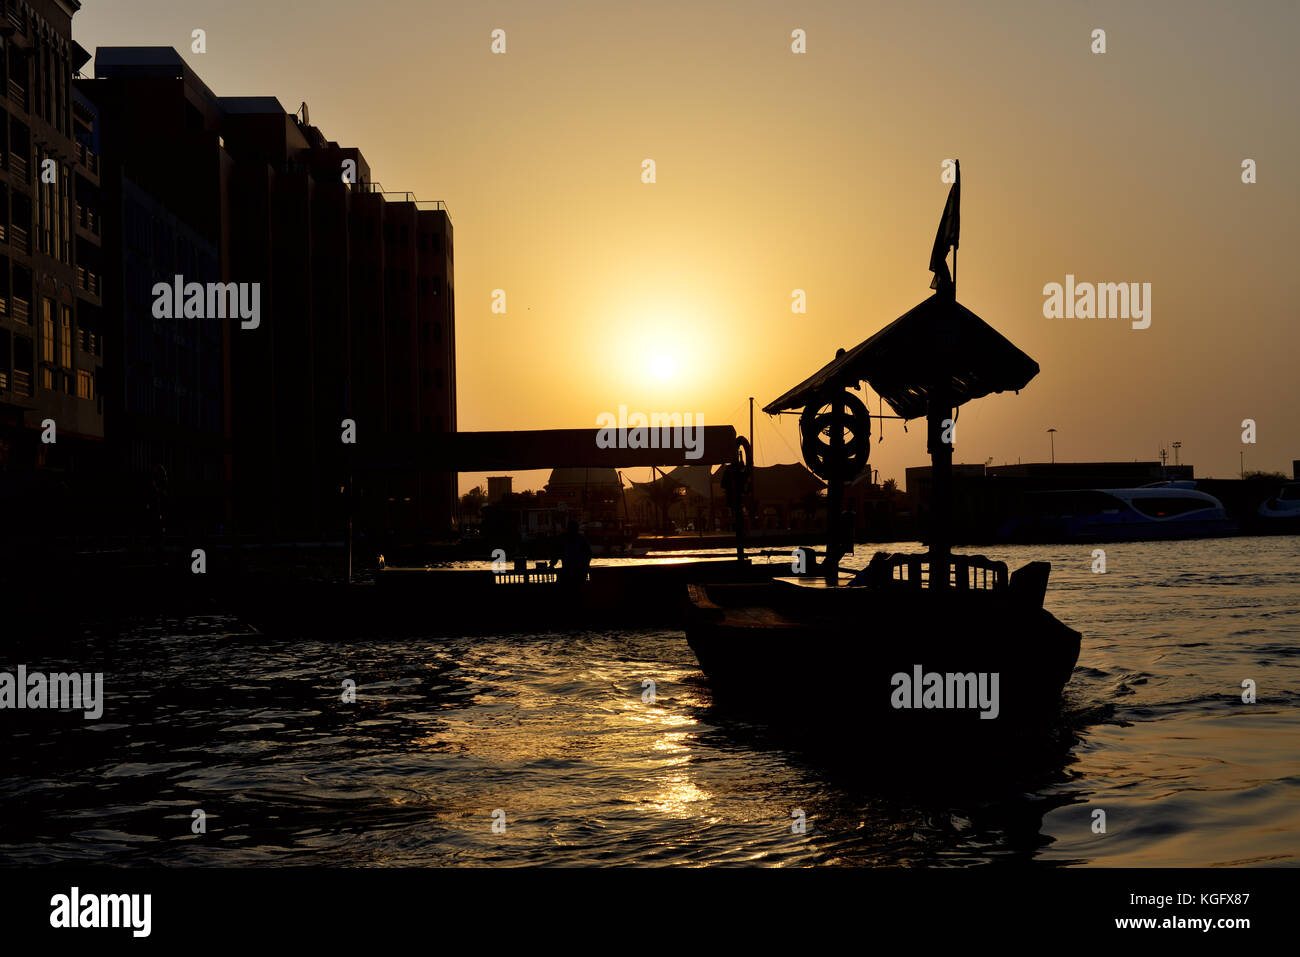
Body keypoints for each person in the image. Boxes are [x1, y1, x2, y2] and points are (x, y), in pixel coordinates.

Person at [554, 520, 592, 589]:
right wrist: (586, 565)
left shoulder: (564, 538)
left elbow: (557, 553)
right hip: (577, 571)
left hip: (571, 570)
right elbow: (588, 554)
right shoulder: (581, 539)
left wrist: (553, 563)